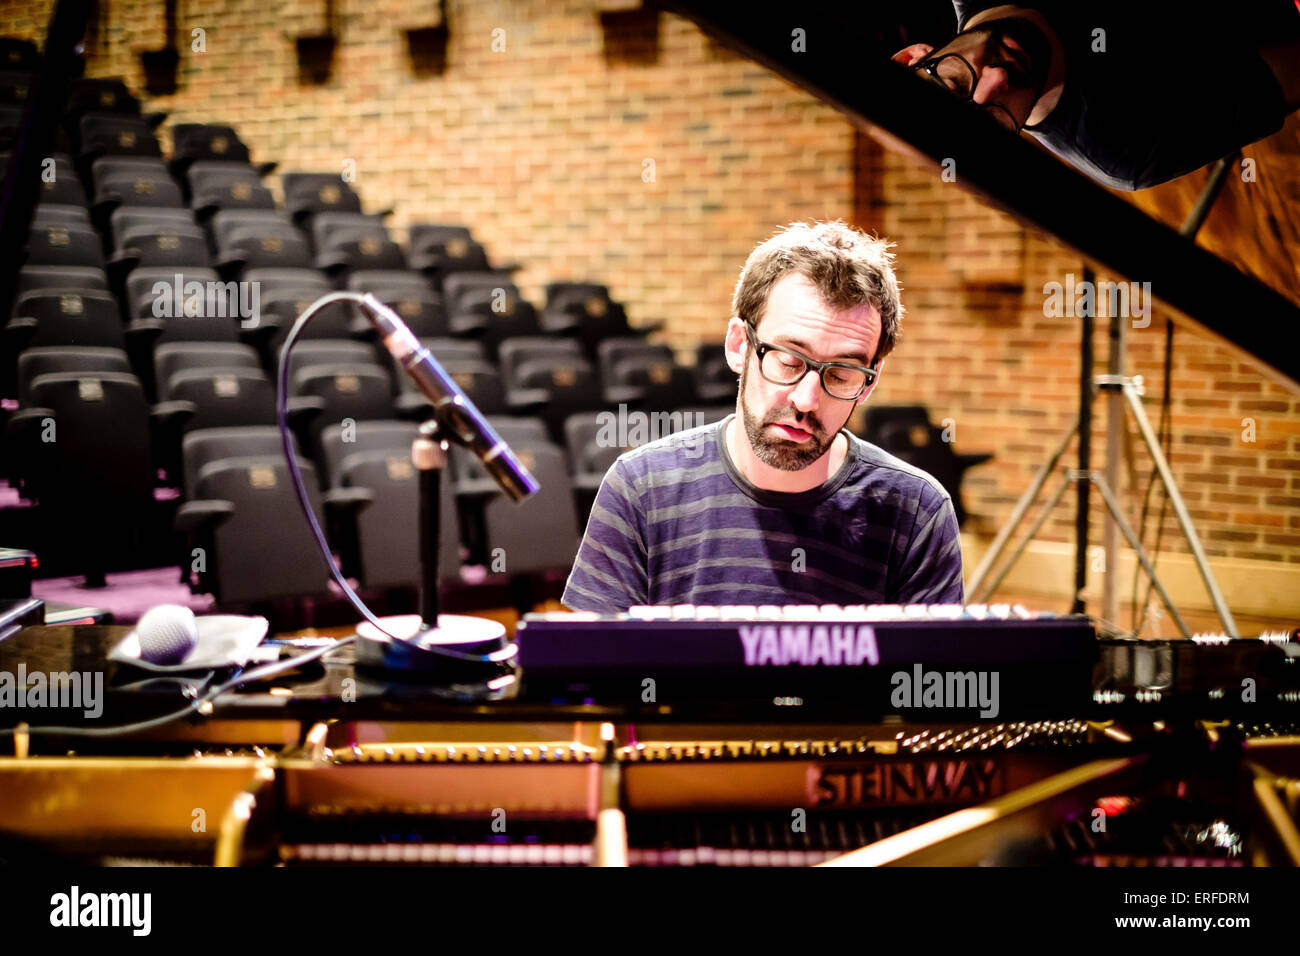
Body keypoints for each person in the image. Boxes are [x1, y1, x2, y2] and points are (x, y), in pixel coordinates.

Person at [562, 220, 964, 613]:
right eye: (789, 361)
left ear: (870, 383)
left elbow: (925, 676)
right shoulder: (640, 489)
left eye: (841, 375)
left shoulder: (917, 512)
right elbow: (590, 675)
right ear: (739, 346)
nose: (807, 400)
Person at [891, 2, 1300, 190]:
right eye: (993, 120)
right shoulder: (1125, 147)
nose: (997, 79)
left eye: (956, 82)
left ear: (913, 56)